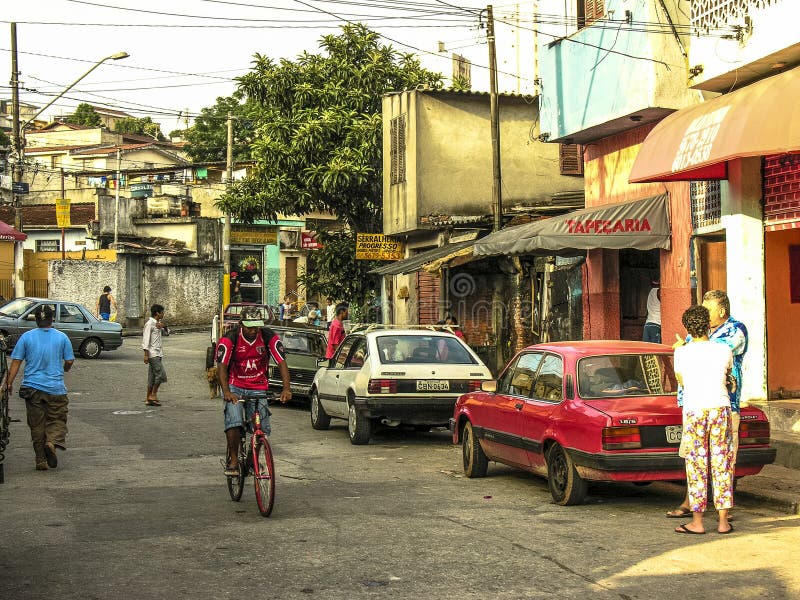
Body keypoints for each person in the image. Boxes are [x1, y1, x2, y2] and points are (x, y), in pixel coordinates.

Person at [667, 289, 748, 519]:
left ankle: (721, 509)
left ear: (722, 310)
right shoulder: (700, 335)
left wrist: (685, 347)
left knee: (721, 459)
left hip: (726, 403)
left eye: (708, 309)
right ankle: (694, 503)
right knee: (695, 458)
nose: (704, 313)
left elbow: (713, 349)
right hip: (696, 402)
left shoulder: (735, 330)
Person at [672, 305, 734, 535]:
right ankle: (723, 522)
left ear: (687, 328)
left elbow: (683, 382)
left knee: (697, 464)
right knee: (722, 463)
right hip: (720, 407)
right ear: (709, 324)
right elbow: (727, 373)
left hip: (695, 410)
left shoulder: (681, 352)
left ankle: (697, 522)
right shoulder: (723, 349)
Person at [216, 306, 291, 476]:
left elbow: (282, 363)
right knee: (234, 421)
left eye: (256, 326)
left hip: (259, 387)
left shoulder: (268, 336)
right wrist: (226, 391)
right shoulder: (230, 338)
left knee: (261, 428)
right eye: (249, 326)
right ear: (241, 324)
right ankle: (234, 460)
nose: (253, 330)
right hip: (235, 386)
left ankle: (251, 460)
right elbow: (222, 367)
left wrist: (286, 388)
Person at [6, 305, 74, 470]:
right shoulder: (62, 337)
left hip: (32, 389)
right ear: (52, 319)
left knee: (37, 425)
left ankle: (40, 460)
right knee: (57, 420)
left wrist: (8, 382)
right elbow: (69, 361)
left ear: (36, 320)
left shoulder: (26, 337)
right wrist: (65, 368)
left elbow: (16, 362)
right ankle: (51, 442)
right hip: (56, 389)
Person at [142, 304, 169, 406]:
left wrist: (164, 326)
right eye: (162, 312)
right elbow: (146, 340)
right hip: (153, 354)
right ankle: (153, 394)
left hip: (158, 353)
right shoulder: (150, 324)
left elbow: (166, 333)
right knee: (161, 375)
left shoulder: (158, 323)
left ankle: (148, 399)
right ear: (157, 313)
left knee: (152, 377)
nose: (163, 314)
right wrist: (146, 355)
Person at [642, 279, 661, 343]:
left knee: (646, 351)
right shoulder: (660, 292)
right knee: (656, 351)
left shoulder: (652, 291)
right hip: (656, 324)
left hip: (647, 324)